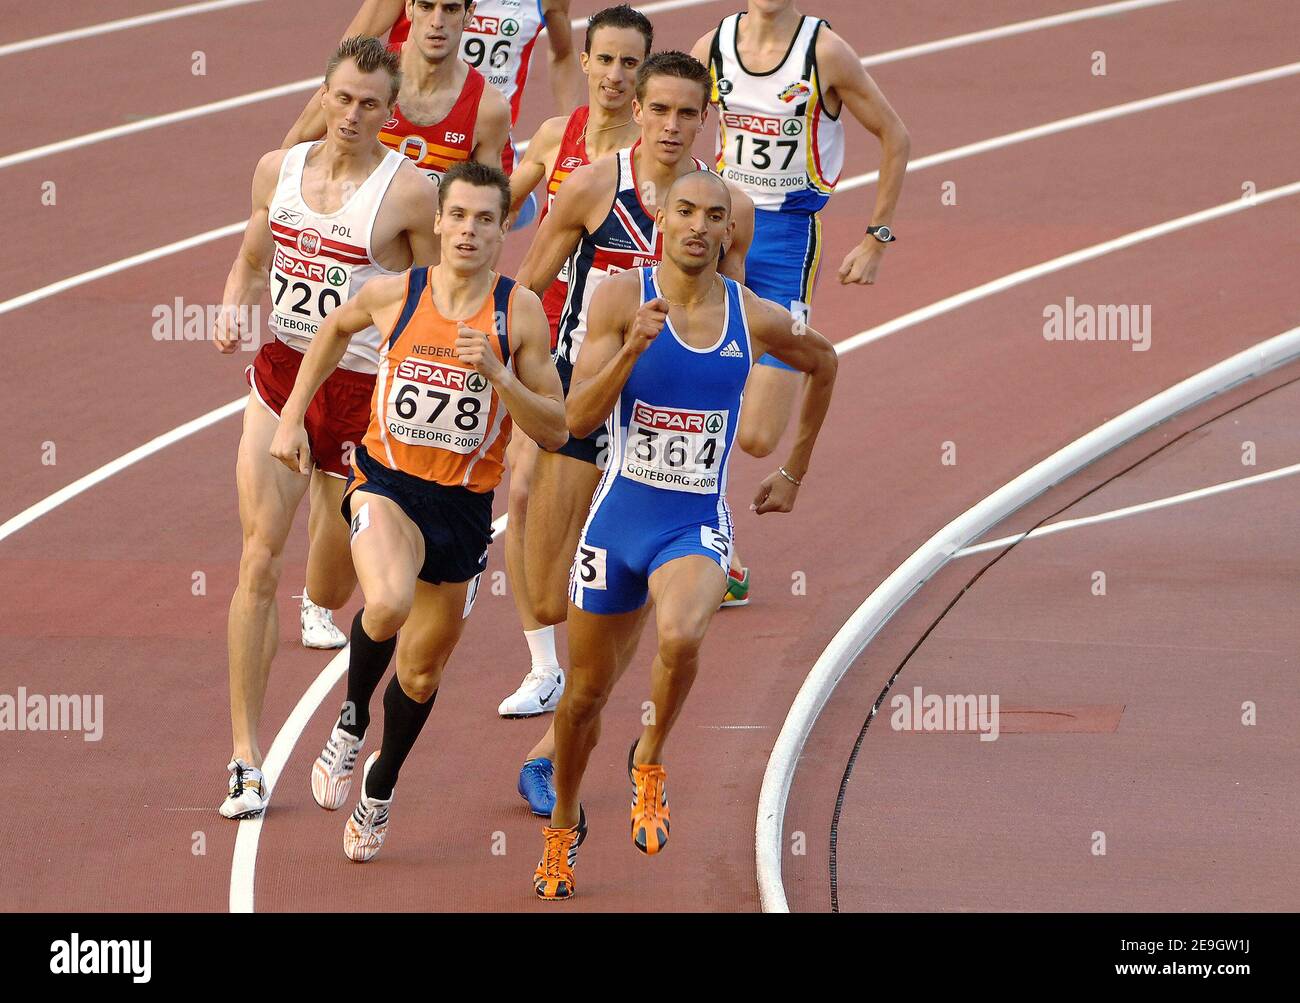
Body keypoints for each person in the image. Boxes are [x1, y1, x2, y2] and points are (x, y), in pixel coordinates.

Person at [532, 170, 837, 899]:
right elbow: (575, 420)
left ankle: (651, 758)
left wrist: (794, 471)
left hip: (693, 518)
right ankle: (563, 824)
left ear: (730, 233)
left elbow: (825, 361)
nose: (700, 226)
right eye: (687, 212)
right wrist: (629, 351)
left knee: (681, 634)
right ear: (662, 219)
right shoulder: (619, 297)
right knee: (582, 699)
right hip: (619, 520)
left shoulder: (753, 314)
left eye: (715, 216)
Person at [270, 161, 567, 860]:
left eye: (484, 219)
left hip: (461, 508)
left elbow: (555, 426)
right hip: (386, 485)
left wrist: (497, 374)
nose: (468, 230)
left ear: (504, 229)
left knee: (424, 673)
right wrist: (290, 417)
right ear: (437, 221)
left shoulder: (517, 311)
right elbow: (333, 328)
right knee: (390, 600)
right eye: (457, 215)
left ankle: (382, 781)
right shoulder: (395, 293)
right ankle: (348, 719)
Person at [507, 51, 755, 818]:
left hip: (659, 432)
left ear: (705, 118)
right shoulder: (591, 185)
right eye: (662, 110)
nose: (674, 125)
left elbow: (734, 313)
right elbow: (527, 290)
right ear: (636, 111)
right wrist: (530, 381)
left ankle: (557, 746)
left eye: (690, 112)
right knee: (549, 594)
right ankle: (567, 687)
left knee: (640, 581)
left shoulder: (722, 207)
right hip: (589, 401)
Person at [213, 37, 440, 819]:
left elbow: (436, 298)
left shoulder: (407, 193)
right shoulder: (278, 170)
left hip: (361, 396)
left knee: (332, 584)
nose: (352, 114)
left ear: (390, 109)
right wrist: (234, 294)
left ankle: (327, 566)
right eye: (341, 98)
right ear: (324, 94)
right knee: (255, 559)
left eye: (369, 103)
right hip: (281, 379)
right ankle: (245, 757)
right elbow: (252, 247)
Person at [690, 0, 908, 598]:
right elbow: (667, 124)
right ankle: (713, 544)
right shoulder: (712, 46)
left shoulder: (825, 53)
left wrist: (876, 239)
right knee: (695, 382)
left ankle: (721, 518)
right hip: (716, 231)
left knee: (758, 435)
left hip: (787, 243)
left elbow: (895, 136)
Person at [493, 3, 649, 749]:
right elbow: (509, 203)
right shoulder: (559, 137)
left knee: (606, 510)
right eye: (606, 60)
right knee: (520, 488)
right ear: (584, 62)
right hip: (550, 344)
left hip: (625, 355)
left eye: (631, 63)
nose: (617, 75)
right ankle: (542, 663)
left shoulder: (660, 151)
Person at [283, 0, 583, 197]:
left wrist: (570, 135)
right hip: (401, 118)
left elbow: (564, 53)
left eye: (451, 10)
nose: (438, 20)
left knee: (485, 220)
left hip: (483, 129)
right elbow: (348, 55)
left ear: (468, 12)